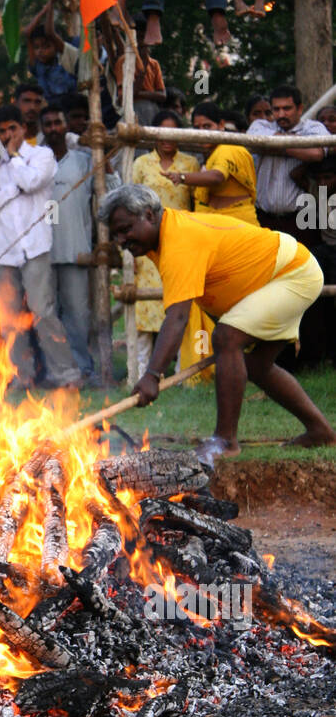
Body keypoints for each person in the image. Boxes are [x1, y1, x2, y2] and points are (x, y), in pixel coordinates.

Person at [101, 183, 336, 464]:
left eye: (126, 229)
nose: (121, 240)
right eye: (116, 235)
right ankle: (321, 431)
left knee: (227, 338)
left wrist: (152, 375)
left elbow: (177, 318)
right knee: (257, 367)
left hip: (291, 273)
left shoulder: (178, 240)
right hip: (278, 275)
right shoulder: (164, 239)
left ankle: (225, 441)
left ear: (149, 216)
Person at [0, 103, 81, 392]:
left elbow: (33, 181)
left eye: (12, 128)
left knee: (43, 312)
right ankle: (20, 376)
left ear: (23, 129)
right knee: (10, 318)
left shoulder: (42, 155)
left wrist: (13, 159)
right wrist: (13, 189)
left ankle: (66, 374)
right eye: (1, 131)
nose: (7, 135)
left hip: (36, 246)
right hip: (3, 251)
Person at [130, 110, 205, 381]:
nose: (167, 140)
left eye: (173, 133)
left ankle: (181, 373)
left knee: (180, 305)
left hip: (181, 243)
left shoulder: (190, 164)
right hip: (147, 246)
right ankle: (140, 373)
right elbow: (130, 203)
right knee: (144, 311)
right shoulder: (140, 164)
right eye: (162, 133)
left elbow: (197, 204)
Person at [40, 101, 96, 380]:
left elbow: (109, 189)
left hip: (75, 250)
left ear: (66, 126)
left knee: (77, 314)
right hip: (41, 253)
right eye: (47, 124)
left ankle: (83, 368)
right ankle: (57, 370)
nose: (53, 129)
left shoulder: (84, 160)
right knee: (47, 314)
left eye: (57, 123)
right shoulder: (36, 161)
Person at [248, 85, 326, 239]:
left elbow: (316, 154)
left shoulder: (314, 128)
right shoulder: (260, 126)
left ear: (300, 108)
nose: (281, 114)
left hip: (301, 219)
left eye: (287, 108)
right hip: (264, 219)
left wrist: (272, 146)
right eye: (276, 109)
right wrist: (299, 147)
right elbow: (252, 144)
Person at [179, 102, 259, 224]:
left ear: (221, 125)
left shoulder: (228, 148)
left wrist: (181, 177)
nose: (202, 133)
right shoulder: (214, 152)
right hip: (218, 224)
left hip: (235, 225)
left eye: (207, 126)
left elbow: (217, 177)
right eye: (197, 128)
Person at [112, 14, 166, 124]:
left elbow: (162, 95)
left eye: (143, 38)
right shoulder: (123, 62)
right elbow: (125, 97)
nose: (141, 42)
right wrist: (142, 71)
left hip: (151, 111)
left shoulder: (154, 64)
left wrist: (138, 93)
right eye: (138, 38)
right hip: (132, 111)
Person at [23, 0, 78, 101]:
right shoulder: (37, 66)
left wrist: (51, 5)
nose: (40, 51)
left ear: (56, 46)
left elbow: (50, 32)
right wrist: (44, 10)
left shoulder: (65, 60)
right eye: (36, 47)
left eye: (46, 46)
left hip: (71, 104)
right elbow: (27, 33)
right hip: (51, 110)